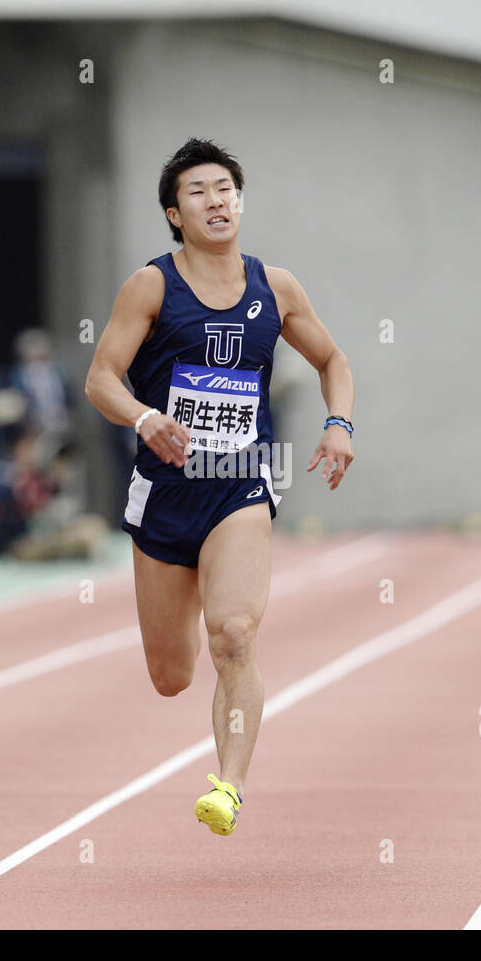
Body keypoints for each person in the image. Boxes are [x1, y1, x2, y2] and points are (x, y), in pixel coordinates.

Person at [85, 138, 355, 835]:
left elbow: (332, 358)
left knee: (234, 634)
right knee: (171, 674)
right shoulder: (152, 285)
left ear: (241, 201)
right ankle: (190, 589)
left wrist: (339, 423)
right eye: (199, 192)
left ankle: (228, 786)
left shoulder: (278, 286)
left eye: (226, 188)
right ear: (175, 215)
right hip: (165, 490)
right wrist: (145, 418)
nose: (217, 200)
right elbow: (101, 378)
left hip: (238, 480)